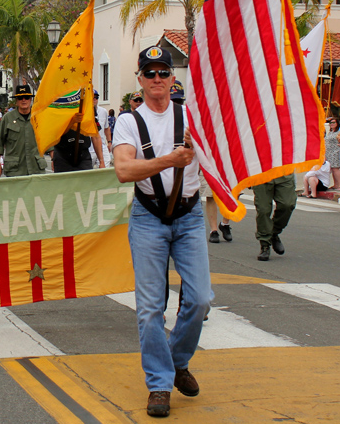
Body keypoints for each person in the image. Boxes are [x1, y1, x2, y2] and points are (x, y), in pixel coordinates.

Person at [112, 46, 208, 418]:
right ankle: (159, 384)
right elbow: (124, 170)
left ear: (172, 78)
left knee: (200, 299)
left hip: (189, 216)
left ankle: (177, 360)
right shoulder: (128, 122)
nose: (157, 80)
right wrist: (169, 159)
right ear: (140, 79)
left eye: (163, 72)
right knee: (151, 307)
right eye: (149, 73)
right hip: (149, 216)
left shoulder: (192, 116)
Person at [0, 84, 46, 178]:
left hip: (36, 168)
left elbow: (47, 139)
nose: (23, 100)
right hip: (15, 170)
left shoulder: (39, 117)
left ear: (30, 99)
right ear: (16, 101)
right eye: (20, 98)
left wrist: (54, 159)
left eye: (26, 97)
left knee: (37, 193)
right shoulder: (7, 118)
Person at [324, 116, 340, 189]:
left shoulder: (339, 132)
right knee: (332, 168)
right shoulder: (330, 132)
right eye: (330, 123)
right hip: (329, 152)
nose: (332, 124)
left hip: (335, 152)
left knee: (335, 168)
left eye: (333, 122)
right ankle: (336, 184)